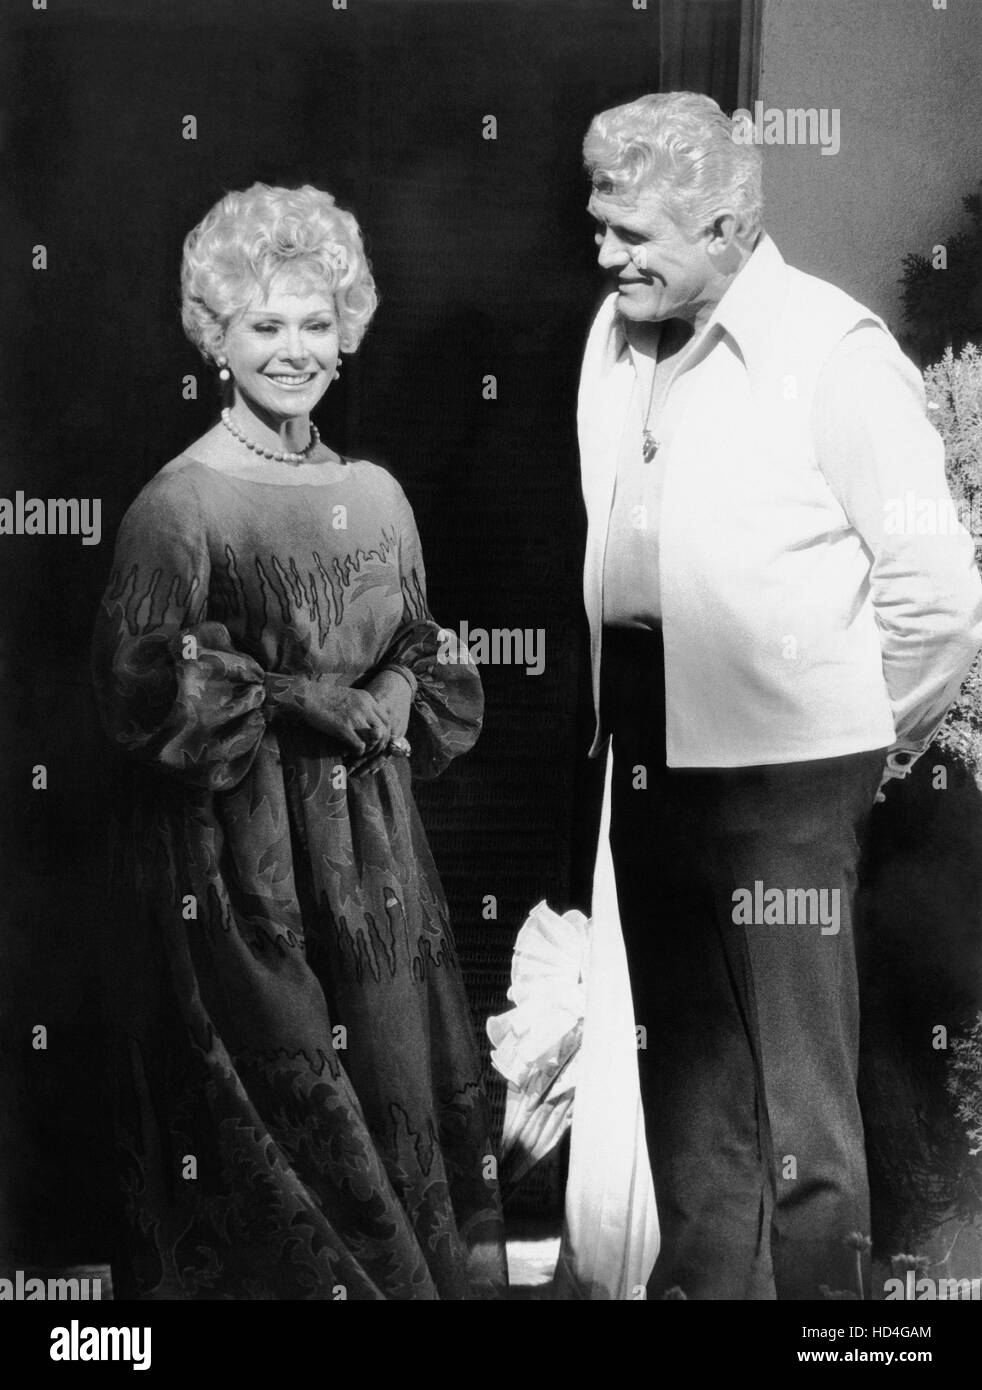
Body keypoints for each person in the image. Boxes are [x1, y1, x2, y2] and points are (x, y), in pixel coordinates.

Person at [576, 92, 982, 1300]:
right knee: (690, 1100)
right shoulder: (613, 337)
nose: (605, 255)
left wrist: (853, 745)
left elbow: (937, 596)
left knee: (802, 1112)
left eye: (633, 233)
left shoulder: (834, 353)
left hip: (790, 776)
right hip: (647, 743)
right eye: (597, 224)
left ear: (725, 222)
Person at [91, 183, 506, 1300]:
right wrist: (297, 699)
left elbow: (426, 648)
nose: (292, 349)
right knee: (282, 1153)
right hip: (240, 879)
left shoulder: (375, 493)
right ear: (215, 338)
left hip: (373, 870)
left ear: (347, 331)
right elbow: (143, 696)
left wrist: (393, 693)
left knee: (387, 1105)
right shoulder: (177, 506)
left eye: (314, 322)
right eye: (263, 325)